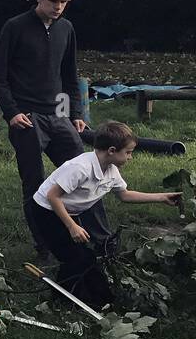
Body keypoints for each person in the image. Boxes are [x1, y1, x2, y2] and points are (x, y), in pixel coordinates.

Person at [32, 120, 180, 309]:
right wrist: (72, 226)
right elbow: (53, 196)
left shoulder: (111, 170)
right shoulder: (80, 168)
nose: (130, 157)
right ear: (111, 150)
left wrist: (162, 197)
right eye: (128, 152)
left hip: (69, 210)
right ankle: (64, 301)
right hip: (47, 210)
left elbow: (124, 195)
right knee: (74, 257)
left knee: (83, 256)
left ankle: (102, 300)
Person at [0, 0, 87, 259]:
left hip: (58, 116)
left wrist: (75, 113)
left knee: (80, 173)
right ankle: (44, 245)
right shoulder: (15, 26)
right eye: (53, 0)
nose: (58, 7)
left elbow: (70, 75)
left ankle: (83, 233)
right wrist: (12, 113)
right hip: (27, 117)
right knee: (34, 183)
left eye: (63, 2)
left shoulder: (66, 28)